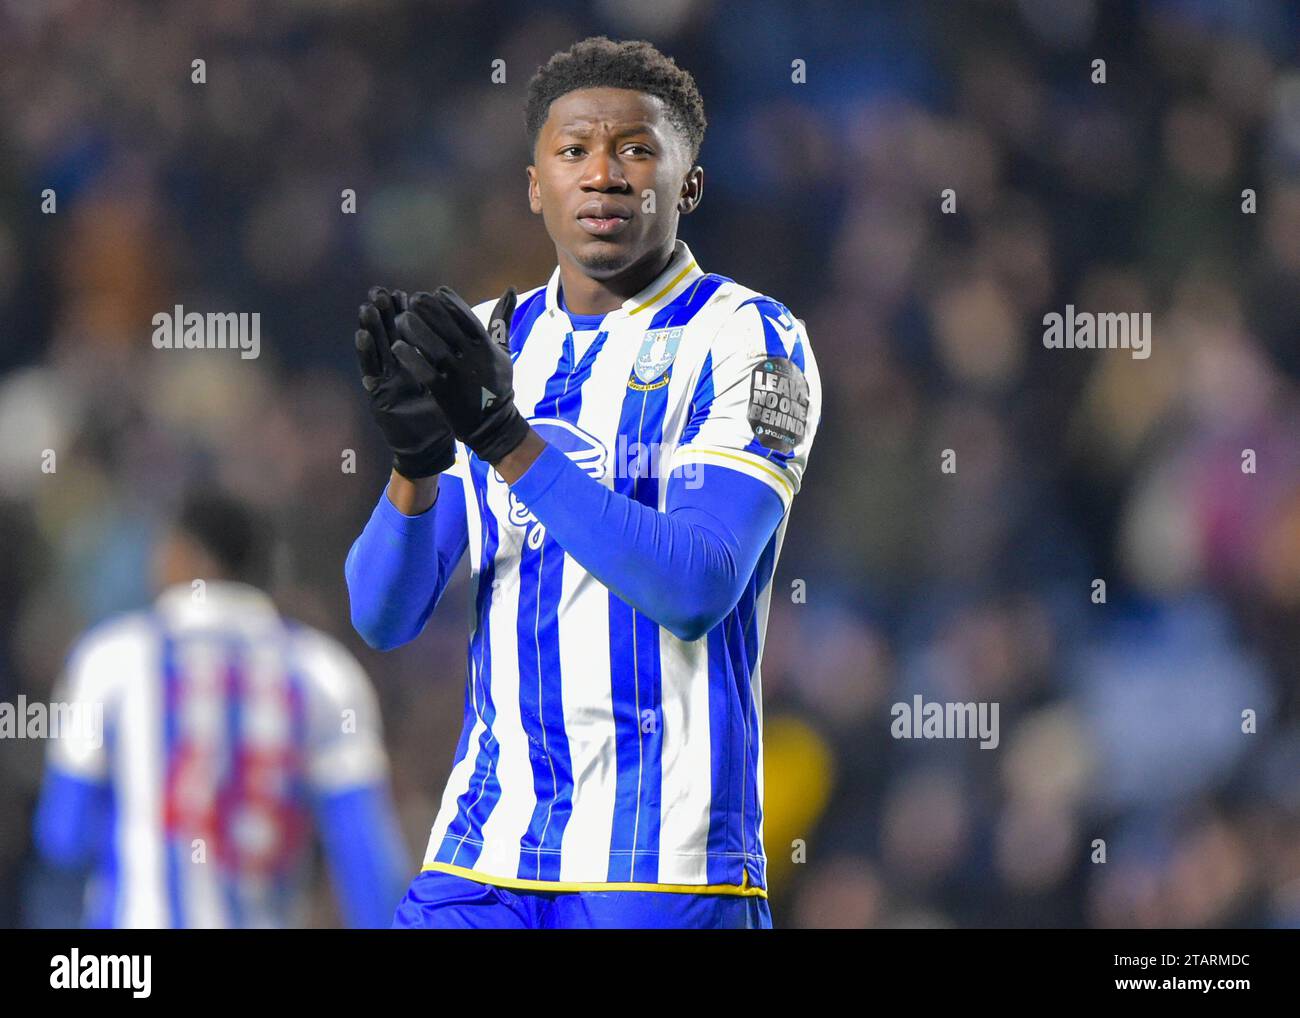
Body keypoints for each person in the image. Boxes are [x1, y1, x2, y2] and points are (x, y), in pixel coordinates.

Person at [347, 36, 821, 929]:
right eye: (573, 151)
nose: (602, 175)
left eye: (635, 149)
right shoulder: (487, 339)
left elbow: (694, 584)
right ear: (536, 186)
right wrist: (414, 469)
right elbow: (381, 616)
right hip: (485, 850)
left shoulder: (753, 339)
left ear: (690, 186)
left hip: (664, 866)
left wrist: (502, 438)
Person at [32, 490, 409, 928]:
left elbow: (64, 836)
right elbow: (365, 859)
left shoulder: (111, 660)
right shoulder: (323, 673)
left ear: (185, 556)